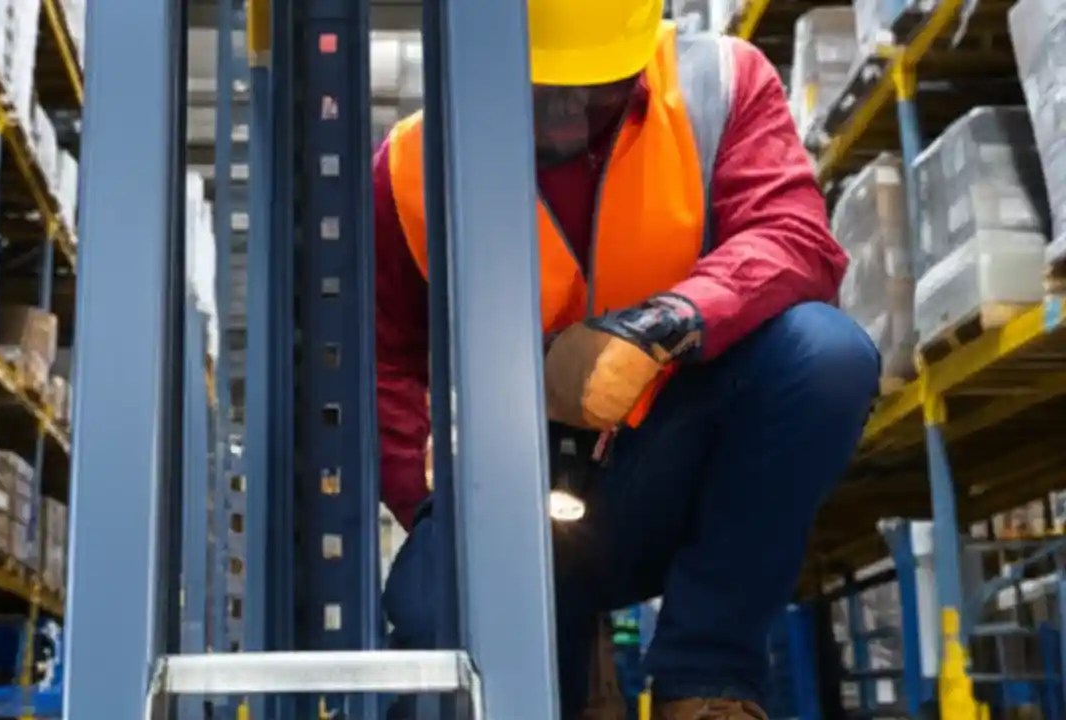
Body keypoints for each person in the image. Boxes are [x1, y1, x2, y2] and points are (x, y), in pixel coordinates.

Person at [373, 0, 881, 717]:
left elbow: (795, 238)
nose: (567, 117)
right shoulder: (405, 170)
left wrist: (661, 328)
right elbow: (379, 365)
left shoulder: (720, 87)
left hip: (669, 461)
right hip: (510, 494)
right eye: (545, 89)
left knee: (827, 357)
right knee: (432, 633)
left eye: (597, 88)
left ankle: (709, 673)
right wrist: (431, 500)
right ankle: (561, 673)